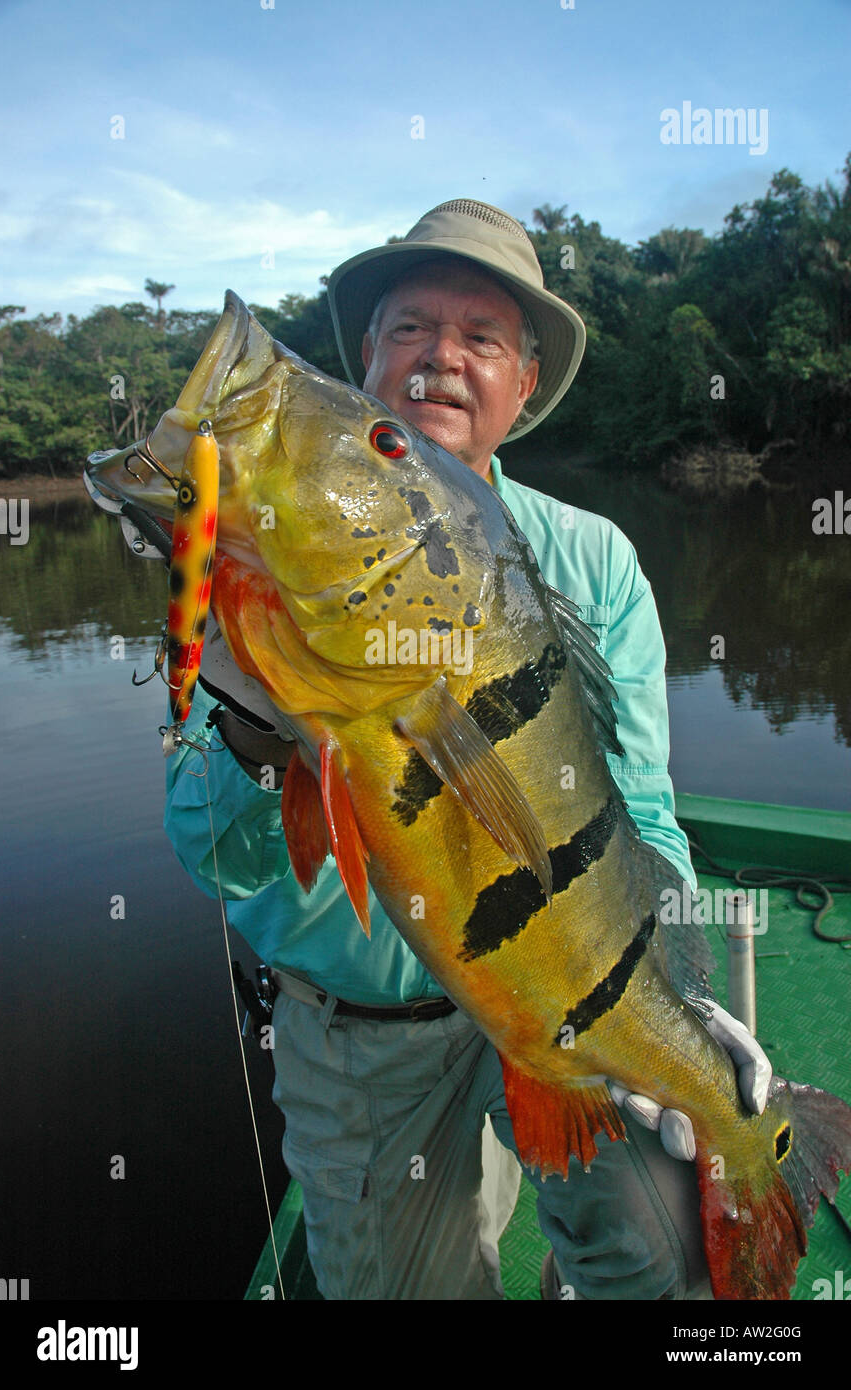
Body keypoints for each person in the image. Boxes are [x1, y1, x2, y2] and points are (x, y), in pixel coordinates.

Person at [164, 199, 770, 1301]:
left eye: (481, 337)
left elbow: (637, 803)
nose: (441, 357)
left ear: (523, 386)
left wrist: (672, 993)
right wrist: (257, 728)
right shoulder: (246, 551)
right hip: (362, 1038)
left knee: (663, 1243)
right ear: (365, 358)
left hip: (562, 1004)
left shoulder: (595, 560)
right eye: (410, 328)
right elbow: (216, 852)